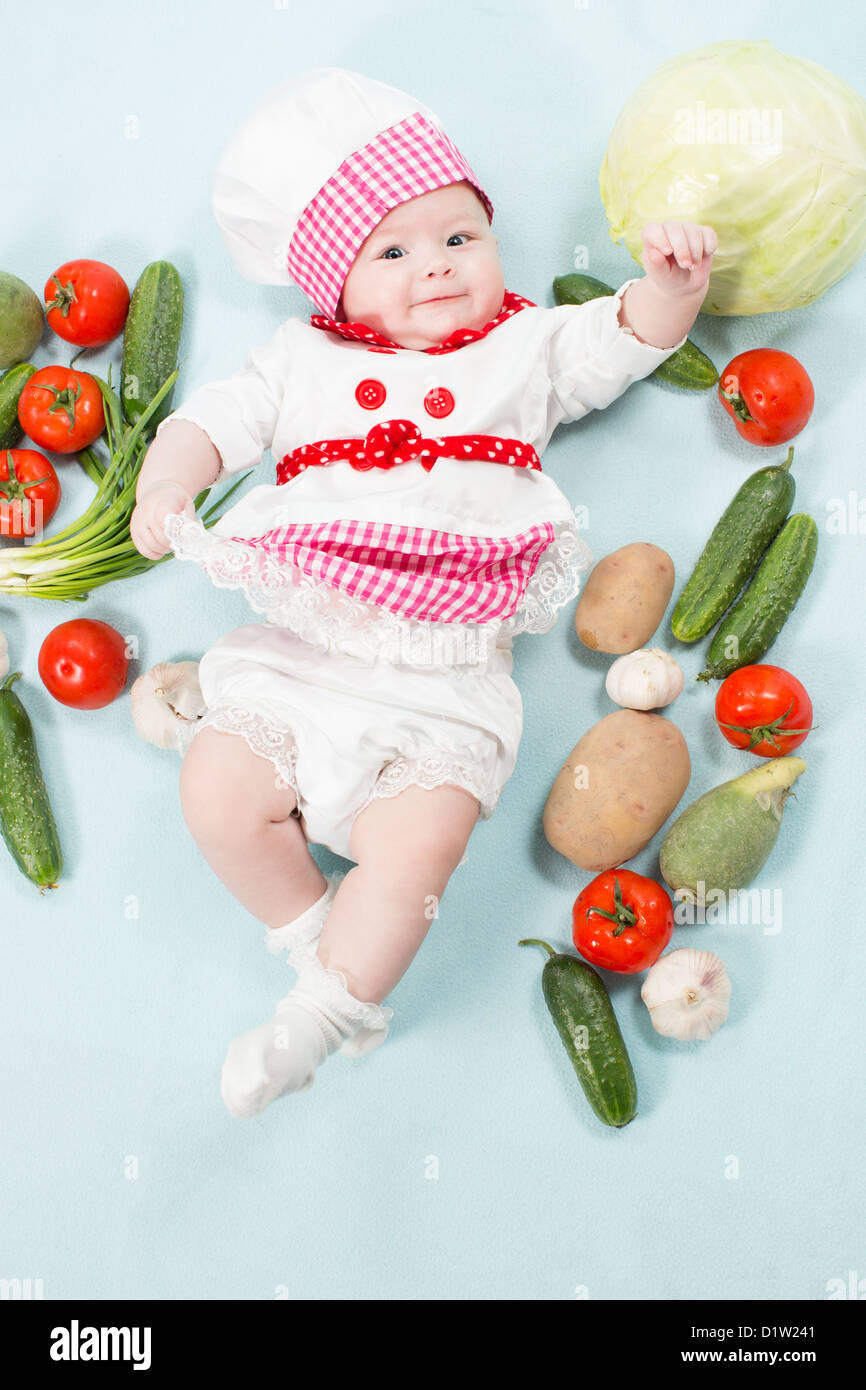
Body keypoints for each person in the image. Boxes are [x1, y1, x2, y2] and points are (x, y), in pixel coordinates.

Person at [130, 68, 717, 1119]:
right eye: (390, 251)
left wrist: (668, 288)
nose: (436, 265)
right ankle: (320, 948)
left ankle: (311, 1025)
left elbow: (619, 341)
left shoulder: (520, 344)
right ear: (330, 287)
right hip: (304, 654)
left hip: (442, 686)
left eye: (459, 236)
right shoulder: (299, 357)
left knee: (418, 856)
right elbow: (218, 417)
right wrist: (170, 476)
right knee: (217, 790)